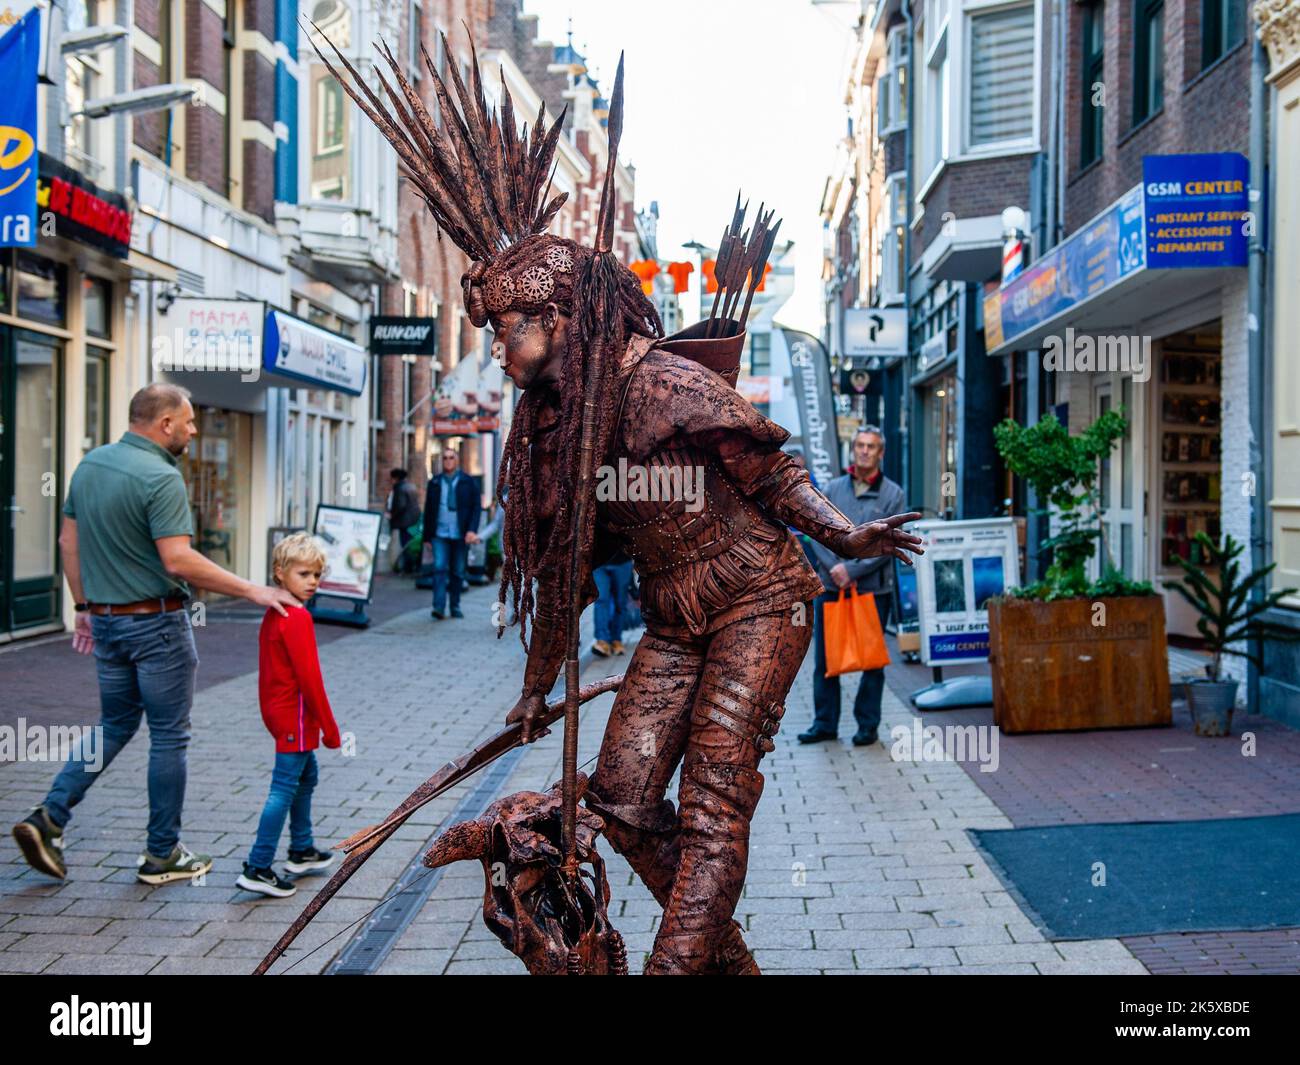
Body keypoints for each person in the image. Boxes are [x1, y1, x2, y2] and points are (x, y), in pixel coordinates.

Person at [321, 33, 922, 975]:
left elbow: (770, 470)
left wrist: (845, 530)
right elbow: (562, 577)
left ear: (557, 319)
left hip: (759, 598)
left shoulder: (662, 385)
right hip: (676, 618)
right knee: (623, 796)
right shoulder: (564, 428)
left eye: (508, 326)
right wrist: (534, 690)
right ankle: (727, 964)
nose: (501, 344)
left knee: (716, 794)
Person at [11, 383, 299, 884]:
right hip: (155, 624)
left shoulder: (91, 465)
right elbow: (178, 559)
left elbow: (67, 542)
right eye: (188, 421)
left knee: (115, 724)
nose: (193, 429)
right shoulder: (161, 476)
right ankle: (162, 853)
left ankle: (50, 816)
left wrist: (82, 606)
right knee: (169, 735)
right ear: (164, 423)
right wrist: (254, 591)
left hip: (106, 621)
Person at [237, 533, 342, 898]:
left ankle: (302, 849)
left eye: (317, 574)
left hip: (279, 713)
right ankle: (258, 865)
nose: (312, 581)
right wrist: (330, 729)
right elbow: (310, 680)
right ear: (279, 573)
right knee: (283, 789)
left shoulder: (275, 612)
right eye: (304, 574)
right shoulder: (296, 618)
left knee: (306, 776)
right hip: (295, 718)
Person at [799, 426, 905, 748]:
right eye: (859, 445)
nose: (864, 451)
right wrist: (835, 568)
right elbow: (815, 532)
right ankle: (825, 724)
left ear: (880, 453)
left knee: (871, 660)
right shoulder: (831, 488)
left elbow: (890, 543)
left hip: (873, 589)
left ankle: (867, 726)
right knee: (826, 660)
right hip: (832, 586)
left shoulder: (893, 495)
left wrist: (854, 569)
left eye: (871, 447)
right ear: (853, 449)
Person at [421, 449, 481, 619]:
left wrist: (471, 530)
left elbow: (476, 508)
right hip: (439, 533)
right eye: (445, 458)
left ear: (457, 460)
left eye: (451, 458)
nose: (447, 461)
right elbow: (428, 510)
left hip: (460, 534)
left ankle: (455, 605)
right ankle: (438, 607)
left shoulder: (467, 482)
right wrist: (427, 537)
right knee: (439, 568)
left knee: (457, 571)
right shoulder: (435, 482)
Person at [591, 549, 634, 657]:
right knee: (601, 600)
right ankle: (602, 640)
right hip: (599, 563)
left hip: (622, 562)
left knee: (620, 602)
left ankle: (616, 639)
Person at [385, 468, 422, 574]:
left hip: (404, 521)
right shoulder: (410, 486)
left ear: (395, 478)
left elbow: (400, 505)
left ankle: (408, 567)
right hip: (413, 519)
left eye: (391, 478)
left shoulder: (399, 488)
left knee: (405, 544)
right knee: (409, 543)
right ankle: (410, 566)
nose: (390, 481)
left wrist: (392, 515)